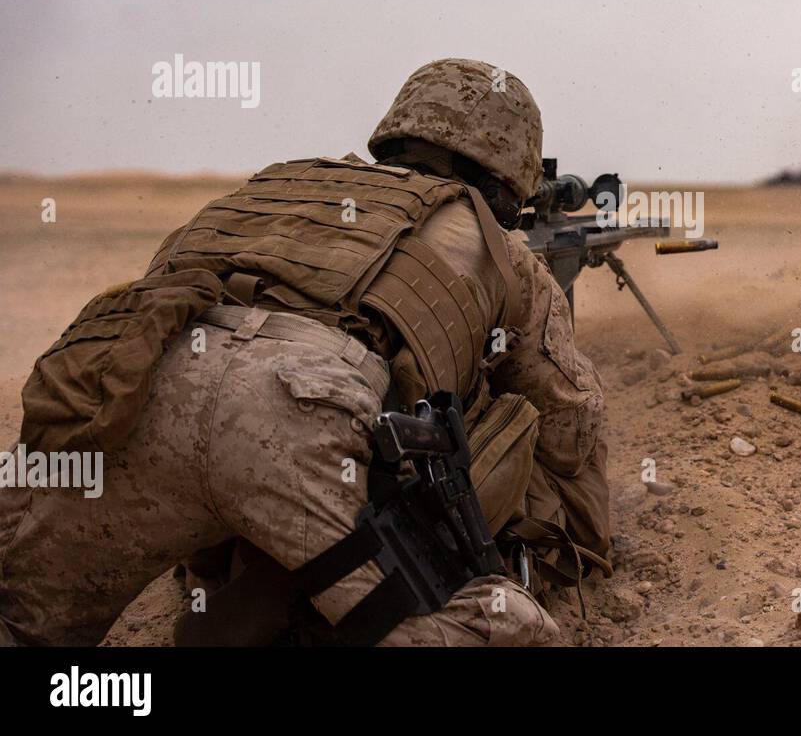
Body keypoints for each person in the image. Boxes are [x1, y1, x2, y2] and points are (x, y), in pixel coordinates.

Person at [0, 58, 609, 647]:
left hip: (134, 400)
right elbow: (568, 423)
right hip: (297, 427)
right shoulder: (502, 250)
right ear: (508, 183)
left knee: (21, 623)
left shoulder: (272, 186)